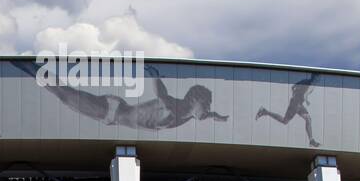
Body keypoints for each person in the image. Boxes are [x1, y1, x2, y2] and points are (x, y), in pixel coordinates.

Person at [19, 60, 228, 129]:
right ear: (194, 100)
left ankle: (28, 67)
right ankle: (26, 66)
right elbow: (162, 96)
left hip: (115, 114)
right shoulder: (177, 108)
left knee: (64, 94)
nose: (208, 108)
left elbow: (203, 115)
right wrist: (155, 77)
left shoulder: (189, 114)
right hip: (111, 111)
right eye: (206, 104)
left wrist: (215, 115)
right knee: (64, 93)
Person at [256, 75, 320, 145]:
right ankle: (265, 111)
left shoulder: (308, 82)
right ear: (314, 77)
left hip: (299, 104)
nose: (319, 79)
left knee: (308, 119)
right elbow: (303, 93)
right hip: (295, 104)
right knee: (285, 121)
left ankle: (311, 140)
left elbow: (294, 87)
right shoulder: (308, 83)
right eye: (318, 78)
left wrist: (296, 95)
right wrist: (305, 100)